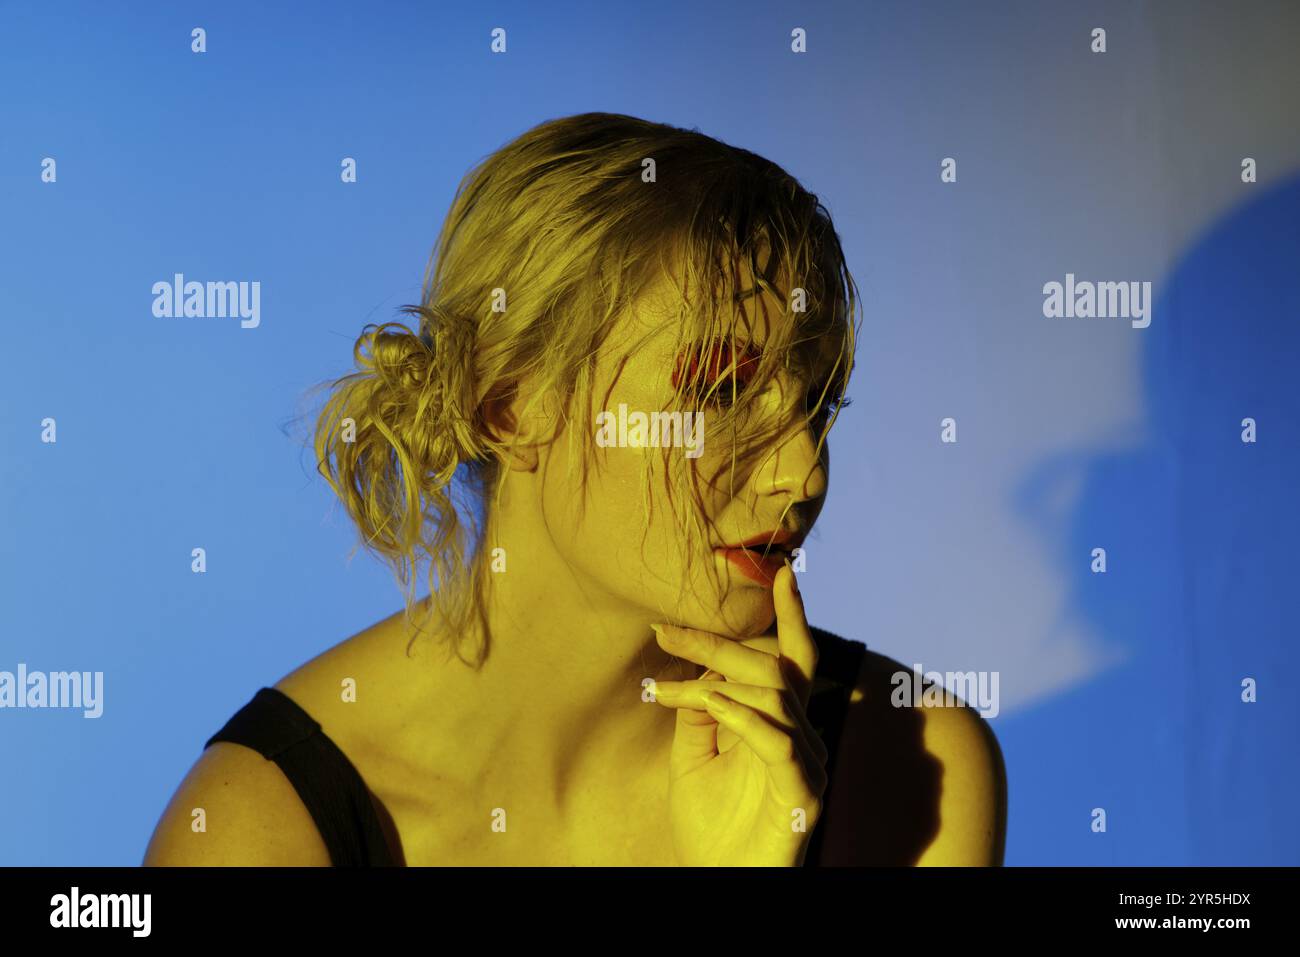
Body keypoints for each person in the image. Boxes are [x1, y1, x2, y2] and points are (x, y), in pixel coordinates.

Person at [143, 112, 1006, 867]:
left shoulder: (908, 761)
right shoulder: (263, 825)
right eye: (720, 391)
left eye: (817, 403)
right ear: (512, 407)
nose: (805, 474)